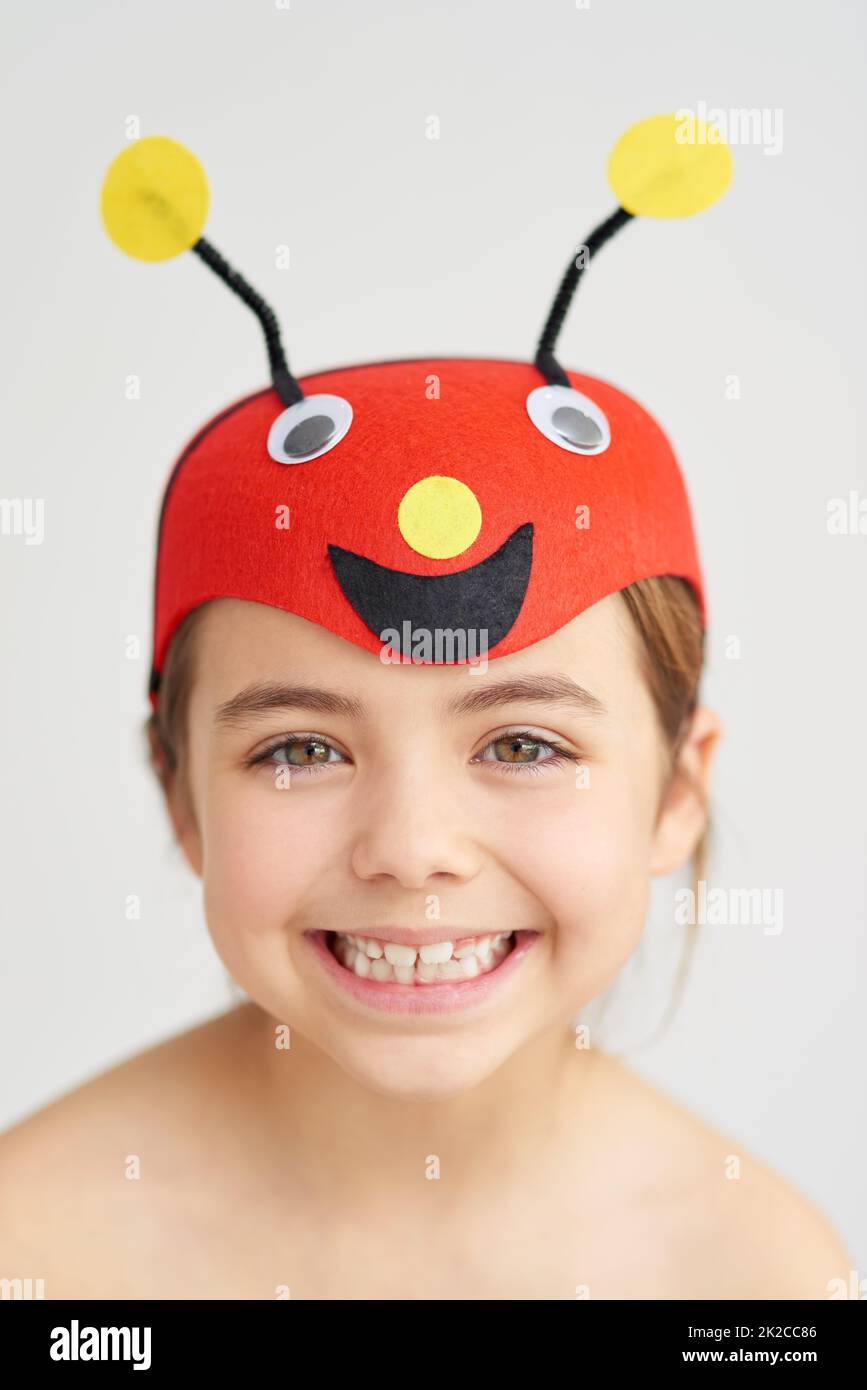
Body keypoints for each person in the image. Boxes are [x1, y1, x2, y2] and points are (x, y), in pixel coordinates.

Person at [0, 118, 853, 1298]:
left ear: (681, 790)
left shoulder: (754, 1282)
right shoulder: (36, 1256)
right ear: (177, 791)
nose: (409, 850)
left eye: (522, 741)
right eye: (299, 747)